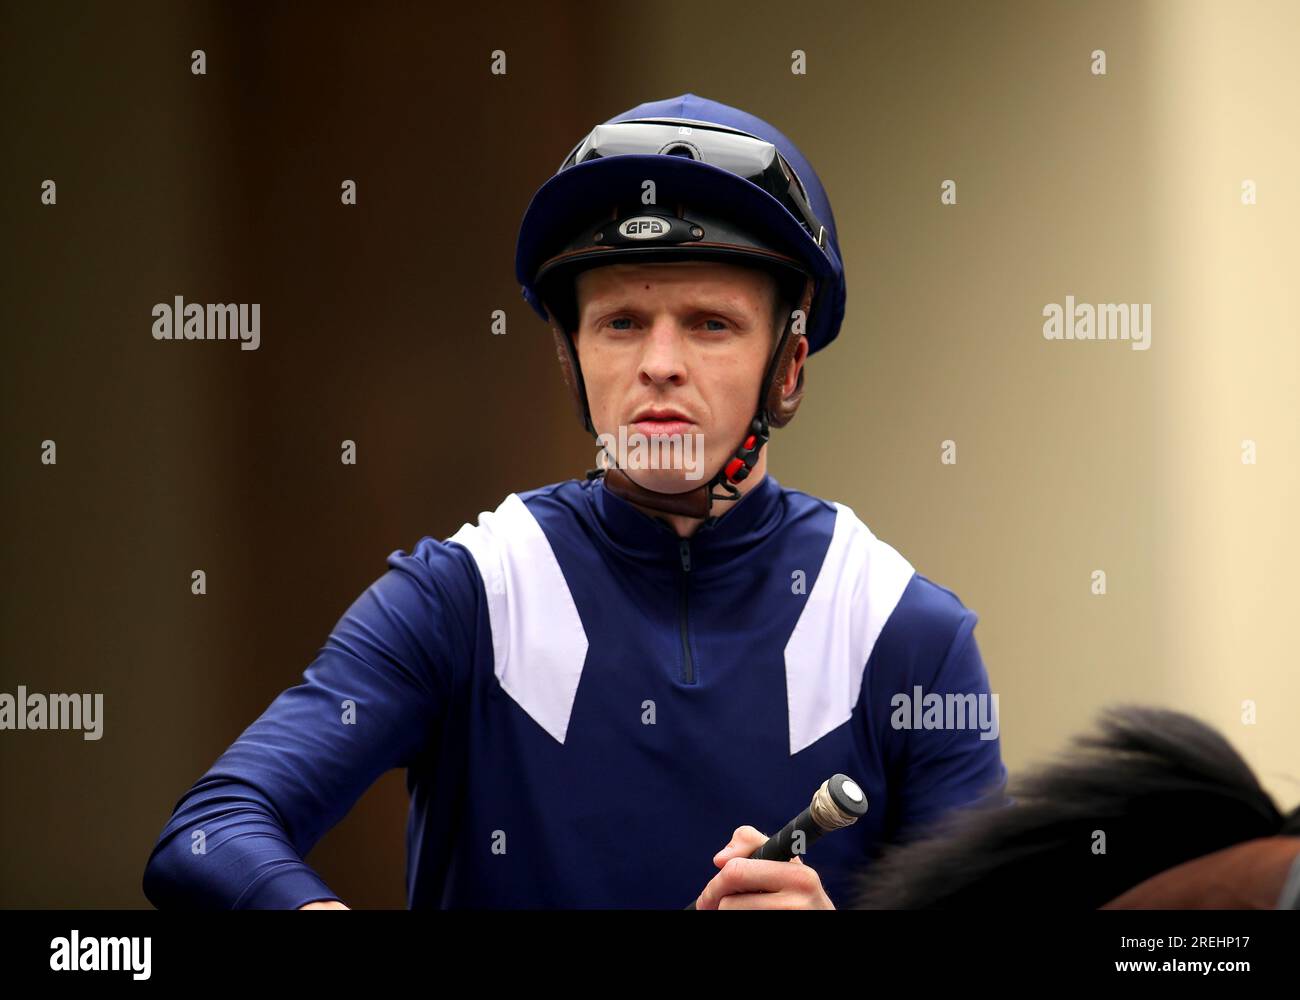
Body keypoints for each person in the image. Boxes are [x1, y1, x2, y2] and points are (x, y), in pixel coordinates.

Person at [142, 92, 1007, 910]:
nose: (659, 363)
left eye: (711, 323)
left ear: (788, 364)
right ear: (573, 359)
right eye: (621, 322)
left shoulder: (904, 629)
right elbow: (208, 834)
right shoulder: (463, 594)